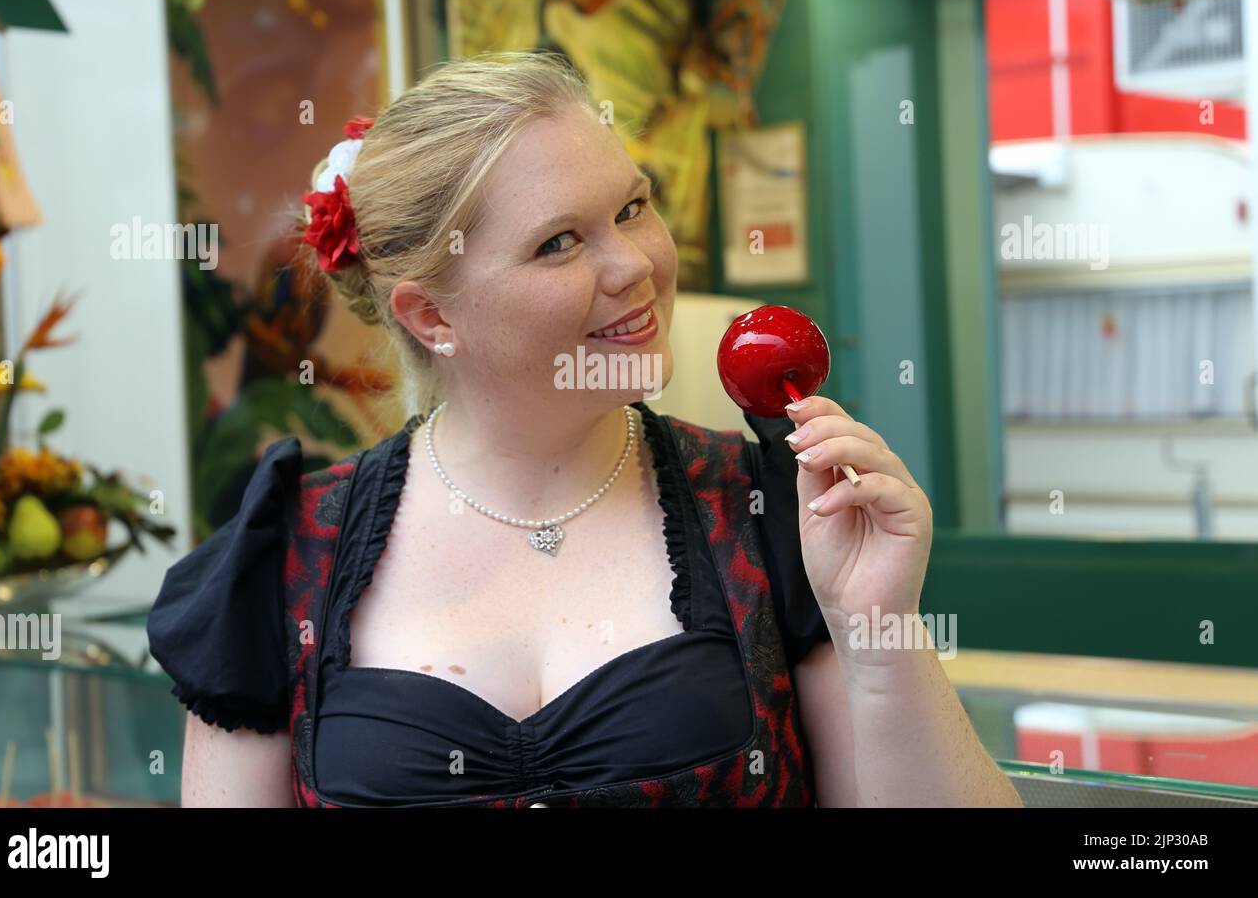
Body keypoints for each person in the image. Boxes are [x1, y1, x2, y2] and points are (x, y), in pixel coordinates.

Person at [148, 50, 1022, 808]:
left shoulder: (775, 509)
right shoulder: (285, 559)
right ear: (428, 315)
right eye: (560, 243)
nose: (634, 266)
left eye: (633, 208)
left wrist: (879, 631)